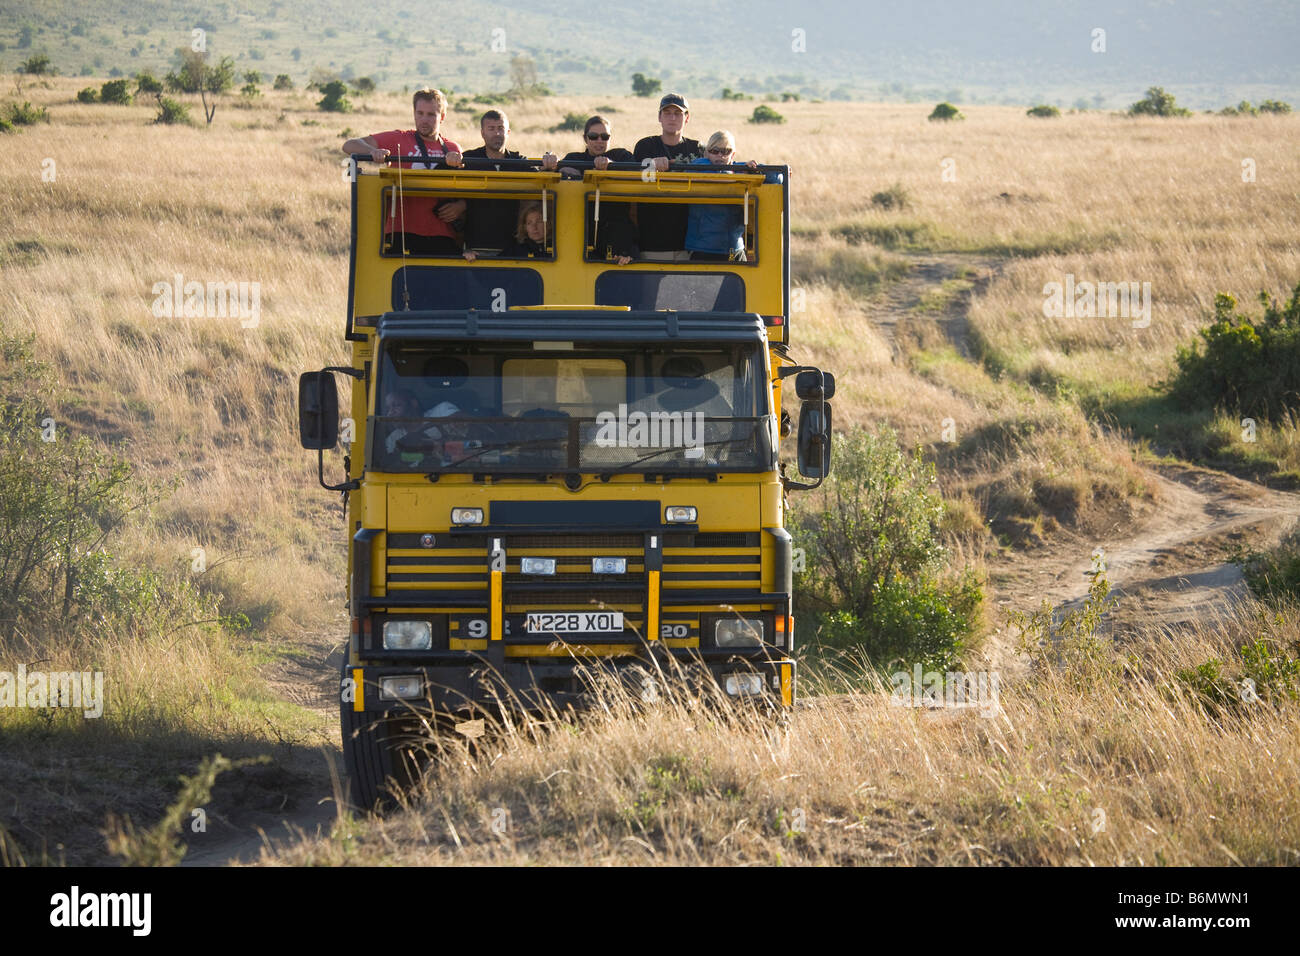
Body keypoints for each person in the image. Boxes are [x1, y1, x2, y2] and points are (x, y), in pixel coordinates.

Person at [341, 89, 467, 256]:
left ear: (442, 117)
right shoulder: (399, 139)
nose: (424, 120)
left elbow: (466, 188)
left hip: (443, 233)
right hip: (401, 231)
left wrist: (460, 206)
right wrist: (373, 151)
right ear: (414, 113)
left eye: (431, 114)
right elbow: (349, 145)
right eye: (420, 113)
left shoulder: (452, 149)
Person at [458, 110, 558, 259]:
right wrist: (451, 159)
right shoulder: (469, 160)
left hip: (513, 248)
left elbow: (542, 178)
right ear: (482, 133)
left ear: (508, 132)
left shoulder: (518, 162)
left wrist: (549, 164)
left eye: (500, 128)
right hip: (476, 249)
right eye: (491, 129)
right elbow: (441, 175)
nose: (497, 133)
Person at [632, 93, 702, 261]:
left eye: (678, 113)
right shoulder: (645, 146)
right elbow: (636, 181)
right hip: (652, 240)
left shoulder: (698, 148)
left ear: (687, 118)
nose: (672, 118)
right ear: (659, 117)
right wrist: (652, 165)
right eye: (667, 113)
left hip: (689, 243)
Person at [559, 116, 636, 264]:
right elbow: (560, 170)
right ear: (585, 138)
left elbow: (634, 170)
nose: (599, 141)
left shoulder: (621, 155)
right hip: (581, 235)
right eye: (593, 137)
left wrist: (611, 166)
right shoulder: (574, 158)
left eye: (605, 136)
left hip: (618, 235)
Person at [685, 130, 763, 262]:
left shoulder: (739, 169)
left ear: (733, 154)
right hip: (703, 249)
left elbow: (775, 177)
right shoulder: (699, 165)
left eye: (726, 151)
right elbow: (717, 175)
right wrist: (740, 176)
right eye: (714, 151)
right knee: (702, 283)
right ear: (706, 153)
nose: (720, 155)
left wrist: (753, 168)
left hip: (732, 249)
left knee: (733, 282)